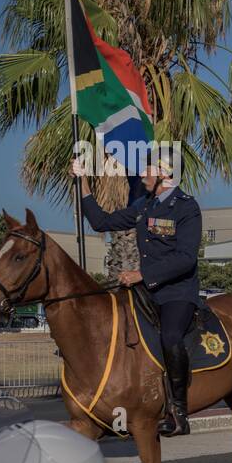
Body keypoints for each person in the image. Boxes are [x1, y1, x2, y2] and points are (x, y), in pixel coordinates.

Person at [75, 156, 201, 436]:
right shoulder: (143, 206)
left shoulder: (186, 207)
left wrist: (142, 274)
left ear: (165, 174)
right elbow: (100, 222)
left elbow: (186, 258)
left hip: (176, 292)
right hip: (146, 290)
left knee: (170, 336)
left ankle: (179, 413)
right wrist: (82, 180)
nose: (142, 173)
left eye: (149, 169)